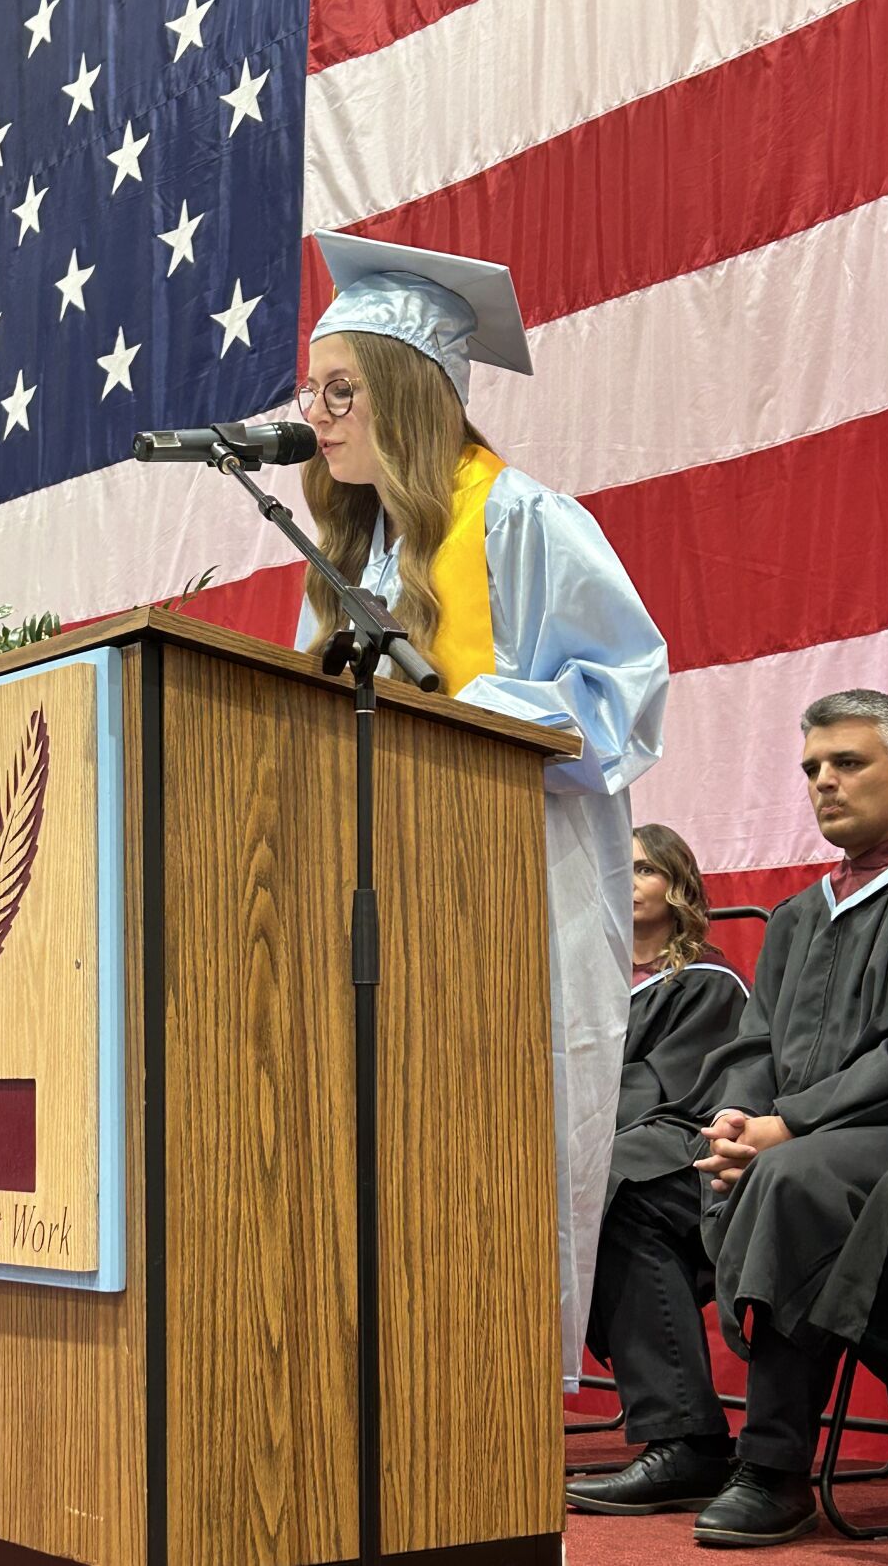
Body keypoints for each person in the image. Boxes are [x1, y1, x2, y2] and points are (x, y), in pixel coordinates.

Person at [294, 230, 669, 1385]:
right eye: (310, 390)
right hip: (371, 900)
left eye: (339, 388)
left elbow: (622, 690)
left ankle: (488, 1438)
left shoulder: (524, 522)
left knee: (491, 1174)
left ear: (410, 391)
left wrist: (449, 699)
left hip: (517, 890)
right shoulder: (357, 560)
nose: (315, 413)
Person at [568, 688, 888, 1548]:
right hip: (801, 1136)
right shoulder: (799, 915)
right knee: (742, 1170)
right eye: (811, 768)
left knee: (787, 1177)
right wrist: (735, 1117)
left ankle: (773, 1463)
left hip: (879, 1132)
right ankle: (691, 1436)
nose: (824, 782)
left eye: (848, 762)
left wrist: (786, 1124)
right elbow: (752, 1045)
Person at [618, 824, 749, 1131]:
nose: (627, 882)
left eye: (645, 869)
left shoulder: (710, 983)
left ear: (678, 884)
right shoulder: (589, 981)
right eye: (618, 869)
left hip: (668, 1135)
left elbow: (672, 1088)